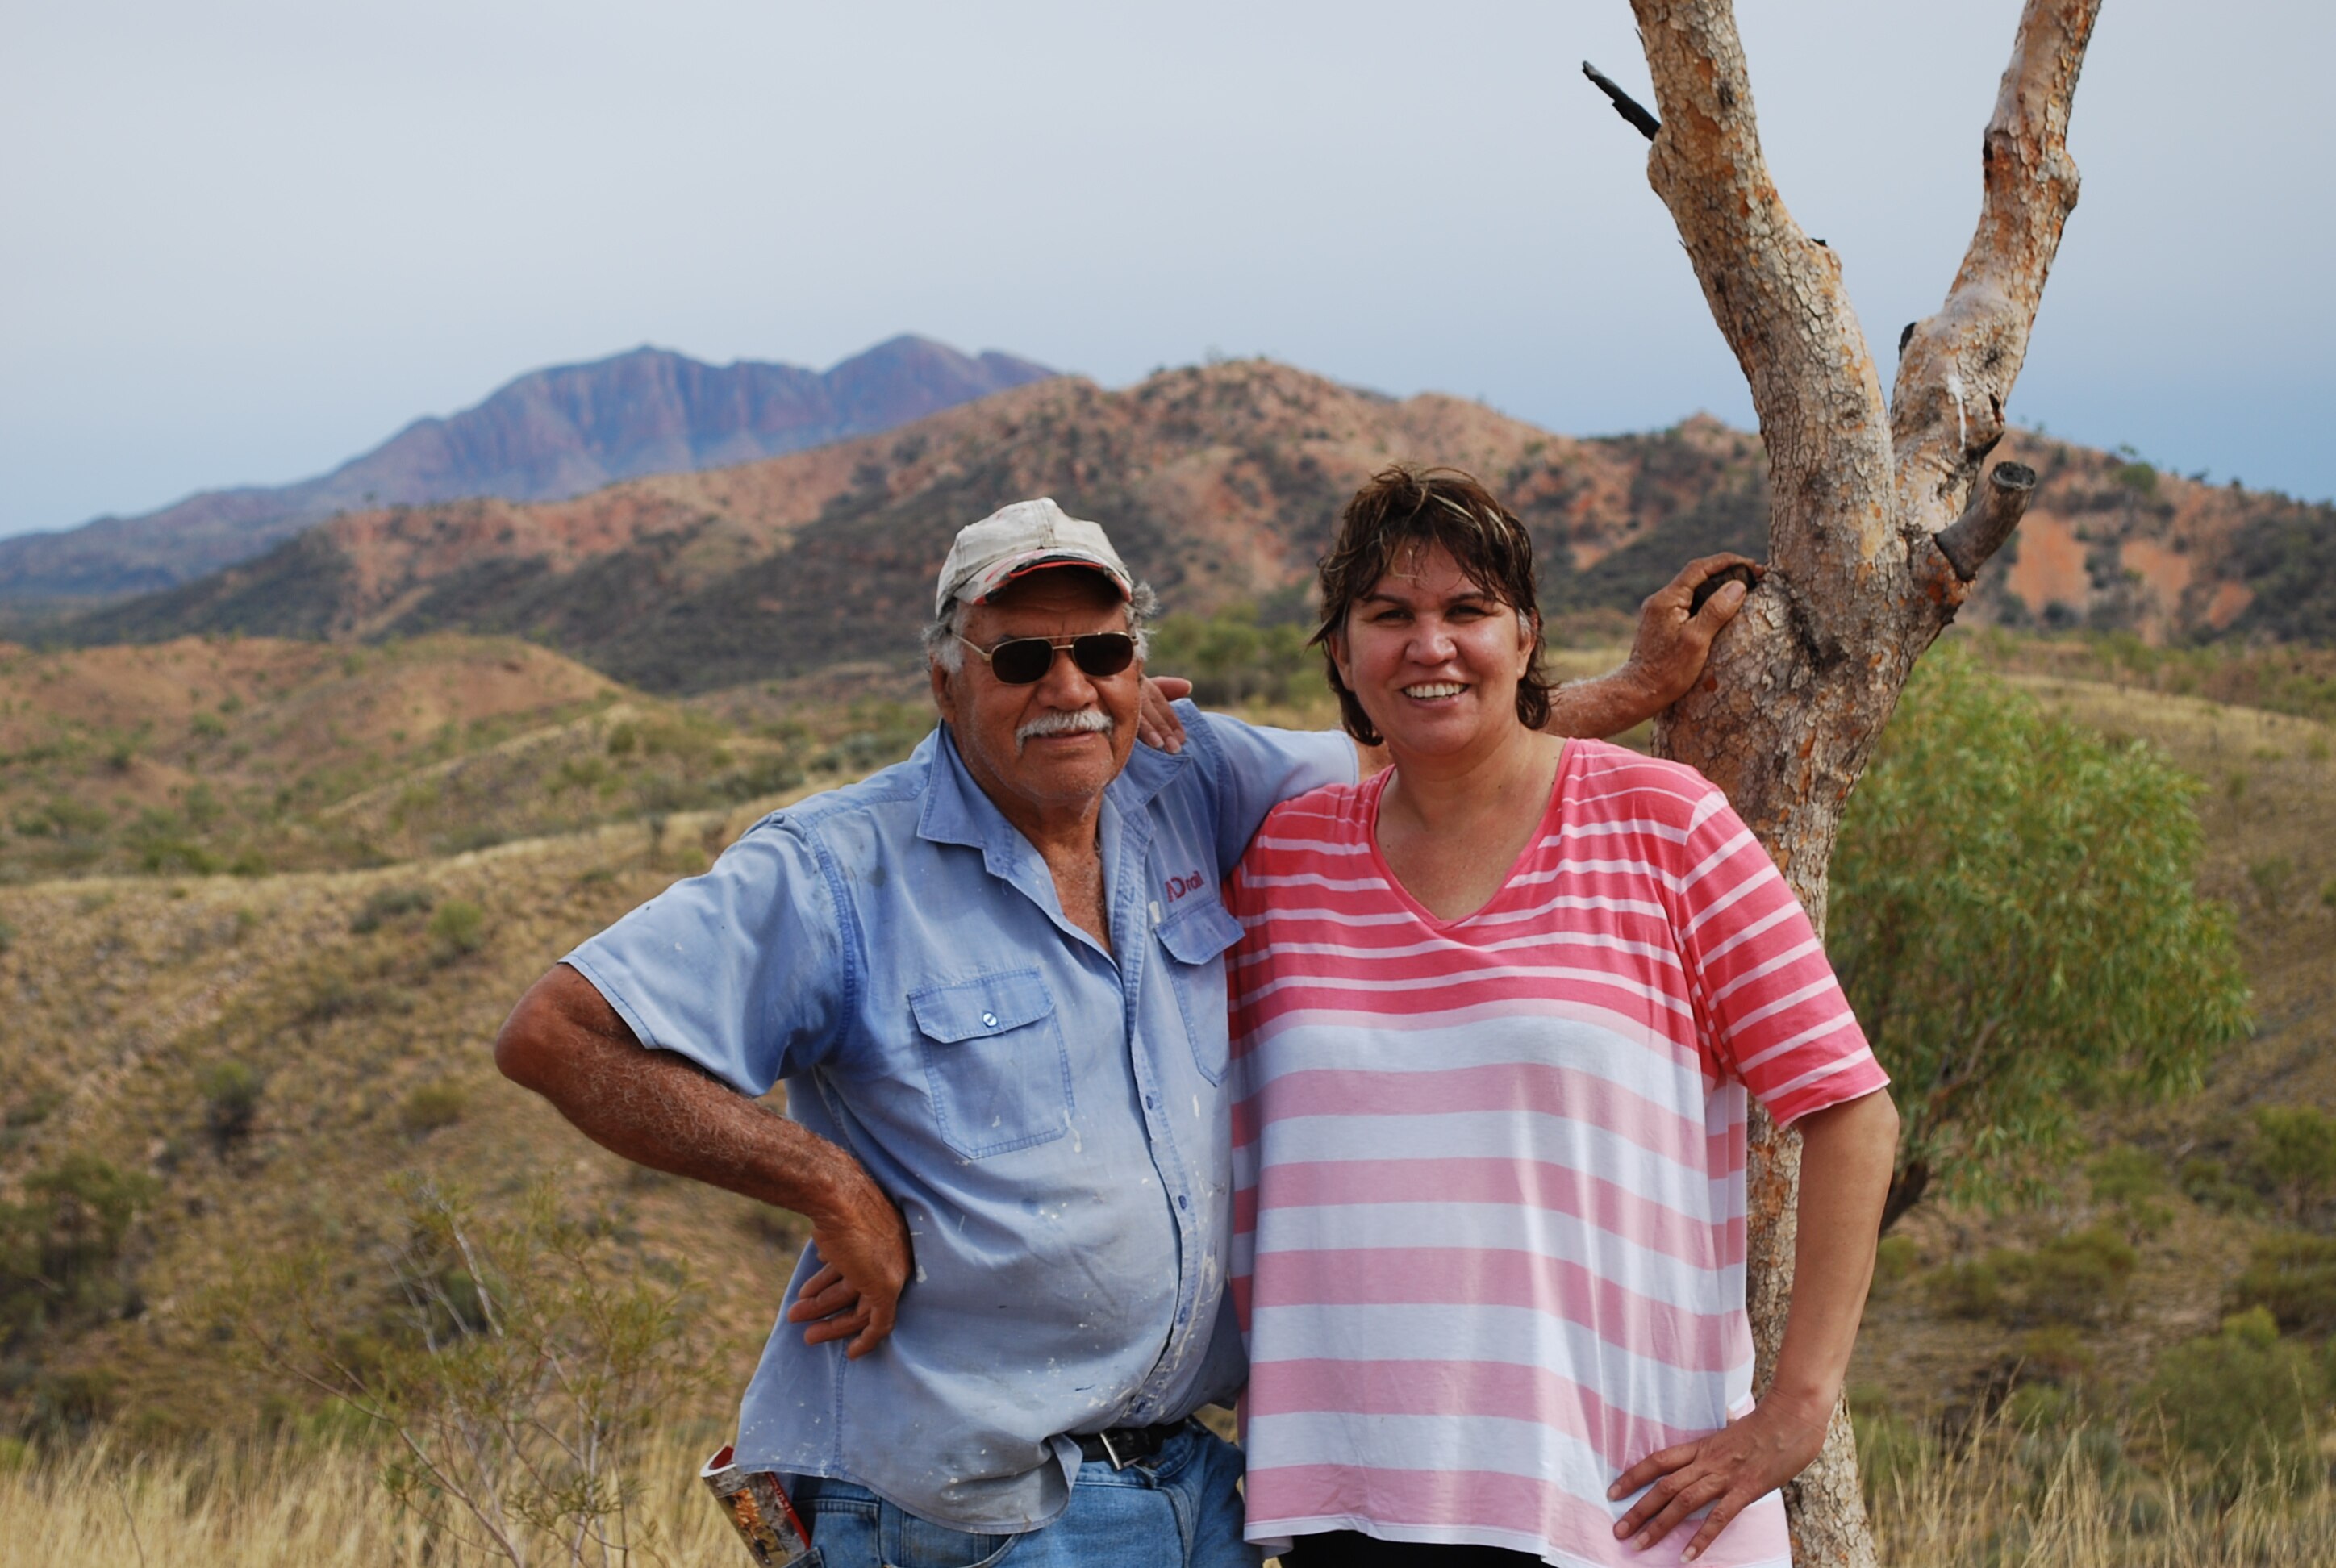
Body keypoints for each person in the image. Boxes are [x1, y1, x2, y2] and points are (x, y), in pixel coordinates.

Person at [494, 494, 1751, 1568]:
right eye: (1020, 660)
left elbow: (1441, 740)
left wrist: (1632, 691)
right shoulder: (836, 871)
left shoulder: (1193, 784)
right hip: (967, 1502)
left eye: (1098, 652)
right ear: (944, 677)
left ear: (1139, 666)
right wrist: (825, 1182)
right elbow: (557, 1034)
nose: (1068, 688)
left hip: (1183, 1490)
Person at [1225, 467, 1899, 1568]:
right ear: (1341, 656)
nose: (1428, 645)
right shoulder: (1284, 863)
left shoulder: (1663, 824)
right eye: (1389, 616)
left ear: (1527, 637)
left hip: (1626, 1506)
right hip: (1355, 1502)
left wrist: (1795, 1415)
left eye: (1467, 611)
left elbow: (1851, 1111)